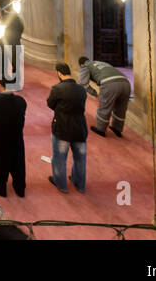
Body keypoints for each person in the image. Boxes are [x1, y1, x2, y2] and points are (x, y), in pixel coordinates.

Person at [47, 62, 88, 194]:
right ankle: (79, 184)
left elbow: (50, 104)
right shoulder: (81, 89)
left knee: (60, 158)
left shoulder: (57, 89)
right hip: (80, 128)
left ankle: (61, 184)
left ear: (59, 73)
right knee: (80, 159)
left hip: (62, 128)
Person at [78, 56, 131, 137]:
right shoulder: (102, 63)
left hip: (110, 84)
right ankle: (117, 128)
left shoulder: (85, 66)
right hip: (126, 83)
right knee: (121, 108)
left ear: (81, 64)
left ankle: (100, 129)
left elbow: (83, 83)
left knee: (105, 107)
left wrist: (95, 93)